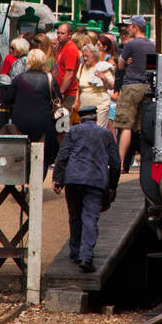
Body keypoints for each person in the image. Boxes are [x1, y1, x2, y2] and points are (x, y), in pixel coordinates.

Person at [53, 104, 121, 273]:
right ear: (96, 118)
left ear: (81, 119)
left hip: (73, 178)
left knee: (75, 215)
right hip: (96, 180)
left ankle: (75, 251)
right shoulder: (105, 134)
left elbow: (63, 156)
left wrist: (58, 179)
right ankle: (86, 256)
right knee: (90, 218)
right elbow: (116, 163)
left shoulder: (73, 132)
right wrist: (112, 186)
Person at [0, 48, 59, 170]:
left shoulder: (19, 79)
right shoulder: (49, 79)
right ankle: (36, 183)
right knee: (42, 154)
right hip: (44, 121)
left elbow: (7, 99)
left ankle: (24, 183)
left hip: (21, 121)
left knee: (21, 152)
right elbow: (58, 99)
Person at [115, 15, 154, 168]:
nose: (127, 29)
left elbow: (120, 64)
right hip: (146, 87)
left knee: (125, 126)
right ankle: (145, 162)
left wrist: (127, 64)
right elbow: (152, 68)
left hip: (131, 86)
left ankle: (120, 161)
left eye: (129, 26)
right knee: (142, 128)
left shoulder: (132, 45)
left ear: (136, 27)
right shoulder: (151, 45)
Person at [76, 42, 114, 118]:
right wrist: (76, 101)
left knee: (98, 128)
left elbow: (111, 86)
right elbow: (78, 88)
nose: (85, 58)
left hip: (100, 106)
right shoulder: (81, 67)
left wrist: (104, 78)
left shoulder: (103, 67)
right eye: (83, 56)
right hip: (84, 106)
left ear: (94, 56)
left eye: (87, 56)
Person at [54, 22, 81, 106]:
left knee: (64, 118)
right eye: (58, 33)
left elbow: (69, 73)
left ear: (69, 35)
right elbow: (55, 68)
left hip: (68, 94)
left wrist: (61, 92)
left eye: (62, 33)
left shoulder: (70, 49)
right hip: (59, 91)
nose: (59, 35)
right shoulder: (61, 47)